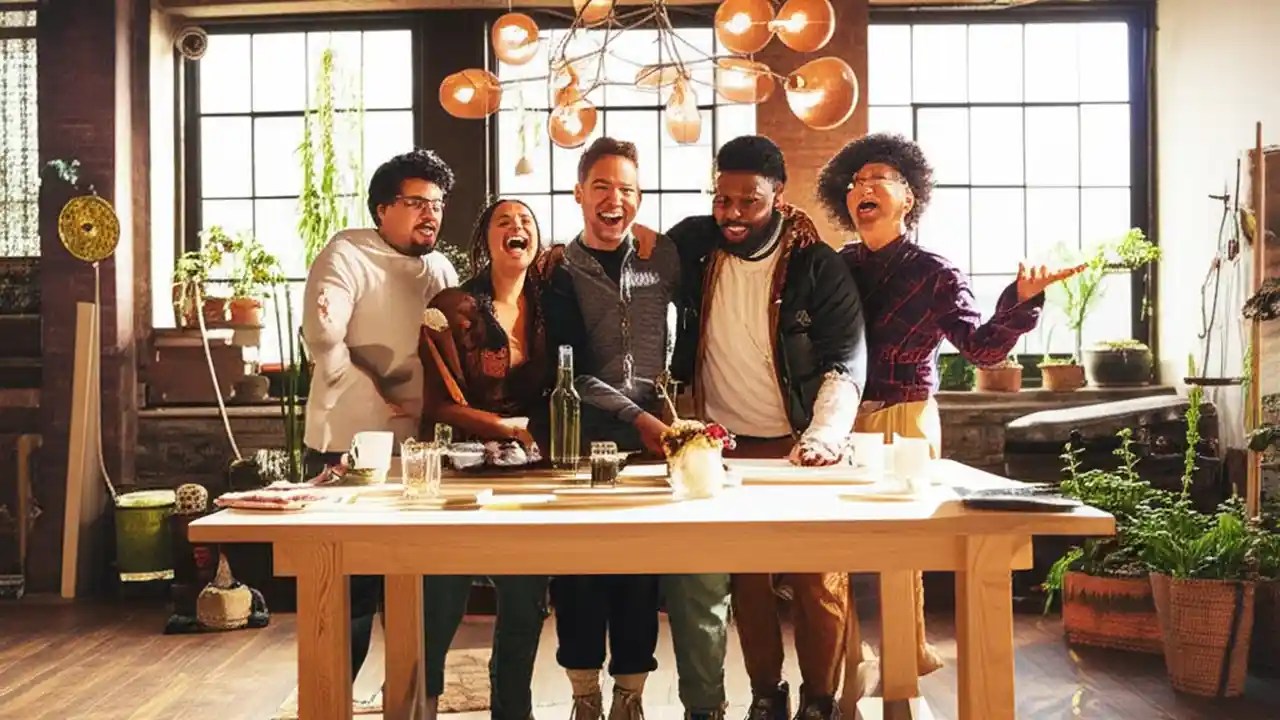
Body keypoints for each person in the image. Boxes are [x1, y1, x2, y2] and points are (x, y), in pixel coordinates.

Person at [815, 132, 1083, 686]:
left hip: (905, 418)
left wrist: (1022, 300)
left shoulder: (935, 272)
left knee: (899, 548)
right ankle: (844, 666)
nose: (863, 189)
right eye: (856, 182)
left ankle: (901, 672)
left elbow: (982, 349)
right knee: (832, 547)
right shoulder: (837, 265)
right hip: (839, 418)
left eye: (878, 180)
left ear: (908, 197)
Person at [666, 135, 866, 720]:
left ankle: (821, 700)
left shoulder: (815, 263)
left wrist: (824, 436)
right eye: (721, 199)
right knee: (745, 583)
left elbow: (847, 358)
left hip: (802, 445)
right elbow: (638, 258)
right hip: (721, 448)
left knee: (818, 581)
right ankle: (764, 695)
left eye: (748, 201)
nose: (731, 214)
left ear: (778, 195)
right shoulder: (697, 245)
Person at [542, 136, 728, 720]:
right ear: (578, 194)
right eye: (601, 186)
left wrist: (669, 405)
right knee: (578, 576)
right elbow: (568, 368)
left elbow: (729, 221)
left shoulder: (664, 255)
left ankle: (630, 698)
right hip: (587, 440)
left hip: (657, 444)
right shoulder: (557, 270)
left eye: (626, 189)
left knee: (637, 576)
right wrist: (637, 416)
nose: (613, 199)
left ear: (640, 197)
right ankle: (583, 697)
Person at [300, 148, 460, 699]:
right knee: (347, 597)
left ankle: (415, 702)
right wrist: (369, 389)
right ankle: (329, 702)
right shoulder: (346, 253)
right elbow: (322, 336)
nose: (430, 215)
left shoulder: (439, 268)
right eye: (416, 203)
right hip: (345, 453)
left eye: (437, 204)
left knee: (420, 595)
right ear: (380, 208)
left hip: (418, 458)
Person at [417, 198, 552, 720]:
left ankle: (512, 708)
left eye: (526, 222)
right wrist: (501, 426)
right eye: (503, 221)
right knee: (441, 597)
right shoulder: (453, 305)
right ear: (485, 240)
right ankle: (420, 704)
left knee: (525, 601)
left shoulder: (550, 303)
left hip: (532, 474)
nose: (517, 228)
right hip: (462, 471)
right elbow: (436, 402)